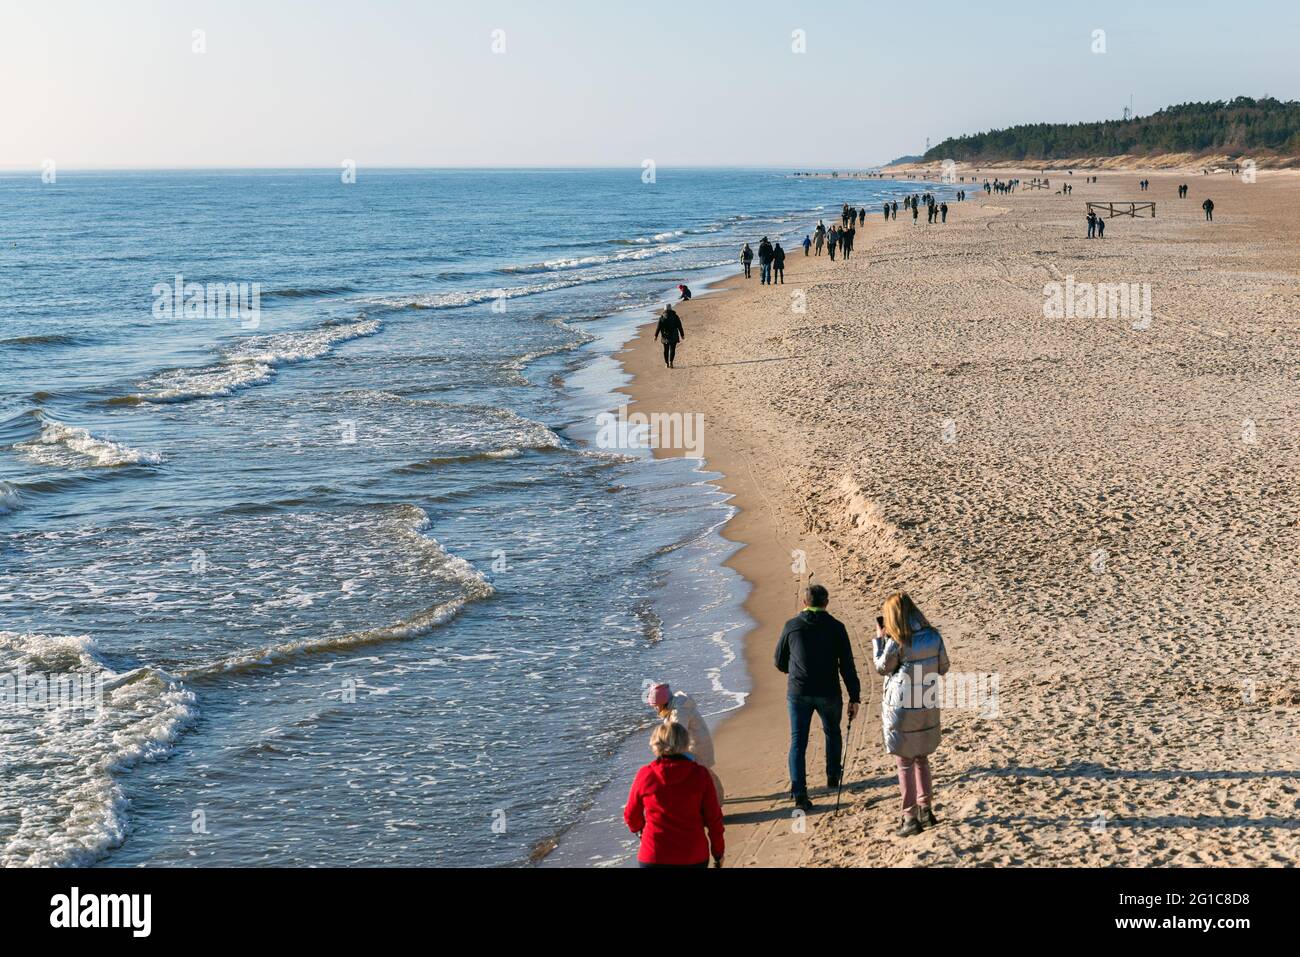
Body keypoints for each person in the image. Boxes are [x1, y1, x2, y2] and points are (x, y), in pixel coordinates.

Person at [774, 584, 861, 812]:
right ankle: (833, 775)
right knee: (832, 731)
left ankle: (800, 793)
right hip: (828, 691)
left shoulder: (791, 626)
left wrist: (792, 670)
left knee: (798, 741)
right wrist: (855, 696)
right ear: (826, 603)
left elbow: (779, 661)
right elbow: (847, 666)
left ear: (805, 603)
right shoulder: (837, 627)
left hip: (798, 691)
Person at [872, 591, 950, 838]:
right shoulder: (933, 636)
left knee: (904, 762)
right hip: (925, 704)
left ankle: (909, 817)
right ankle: (926, 809)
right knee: (922, 758)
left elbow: (882, 668)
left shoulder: (897, 640)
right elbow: (943, 667)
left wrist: (879, 641)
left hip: (902, 708)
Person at [624, 722, 725, 868]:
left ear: (655, 743)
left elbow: (631, 815)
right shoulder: (700, 774)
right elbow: (714, 819)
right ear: (685, 743)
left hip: (654, 855)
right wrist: (718, 853)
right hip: (693, 855)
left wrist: (640, 832)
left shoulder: (645, 774)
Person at [648, 682, 722, 801]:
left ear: (664, 703)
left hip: (696, 746)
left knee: (703, 774)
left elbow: (675, 734)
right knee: (702, 774)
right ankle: (710, 797)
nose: (656, 709)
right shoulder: (674, 706)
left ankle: (716, 800)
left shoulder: (679, 712)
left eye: (657, 706)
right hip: (693, 743)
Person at [654, 303, 684, 369]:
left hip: (665, 336)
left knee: (666, 350)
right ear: (671, 309)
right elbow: (679, 326)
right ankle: (671, 362)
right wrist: (682, 335)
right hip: (674, 335)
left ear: (664, 309)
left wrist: (655, 336)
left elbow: (658, 327)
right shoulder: (675, 316)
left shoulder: (662, 317)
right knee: (672, 349)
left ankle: (666, 363)